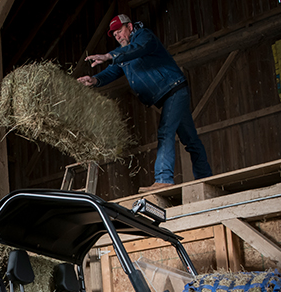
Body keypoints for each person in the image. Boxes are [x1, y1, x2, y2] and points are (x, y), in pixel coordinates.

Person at [77, 14, 212, 193]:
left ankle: (164, 178)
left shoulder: (144, 37)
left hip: (174, 89)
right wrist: (94, 80)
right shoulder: (125, 52)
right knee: (191, 140)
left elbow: (137, 49)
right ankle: (206, 178)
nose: (117, 36)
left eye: (119, 31)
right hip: (169, 95)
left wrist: (109, 55)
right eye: (114, 35)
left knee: (165, 132)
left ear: (130, 27)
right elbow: (113, 71)